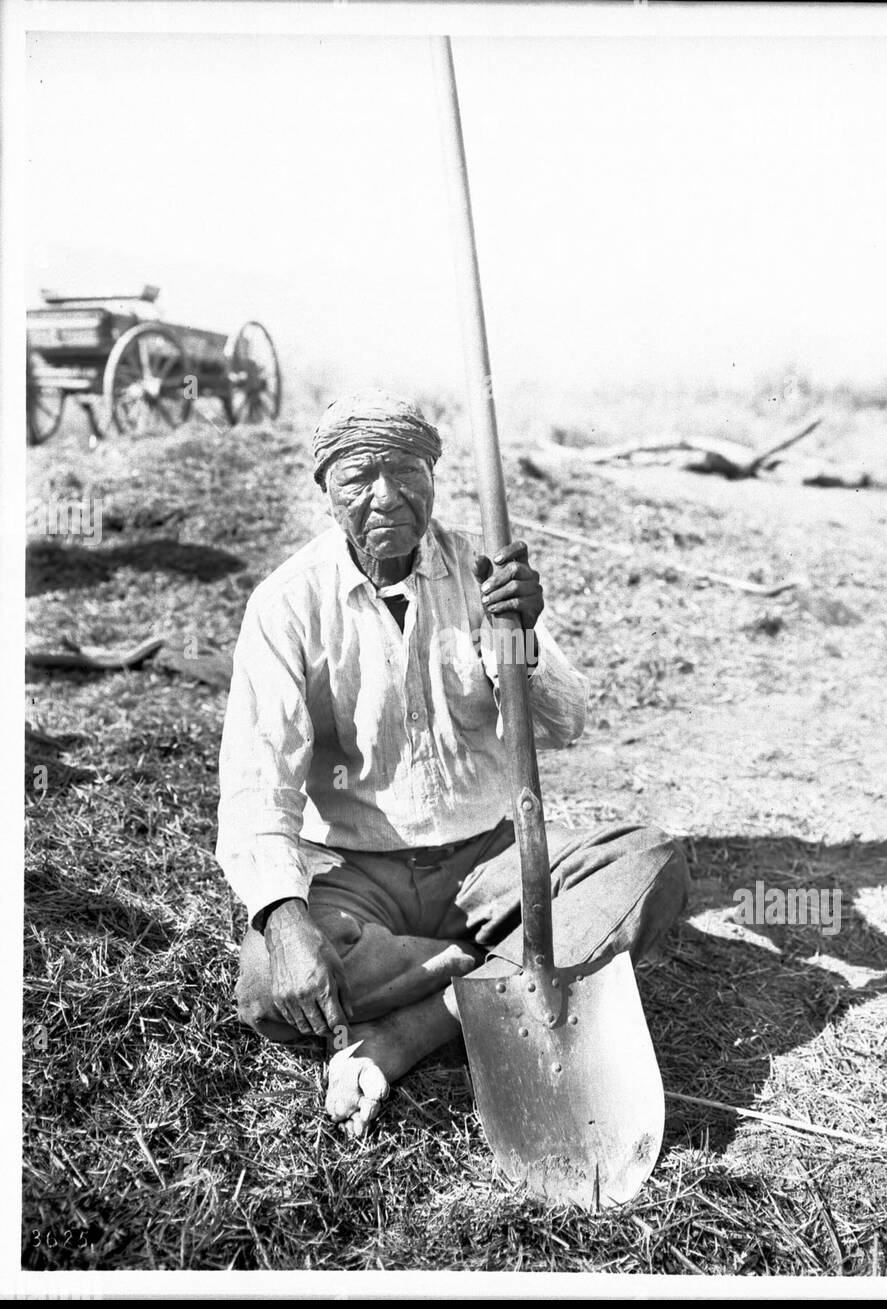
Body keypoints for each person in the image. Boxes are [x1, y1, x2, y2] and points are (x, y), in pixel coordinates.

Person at [216, 389, 689, 1138]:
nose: (386, 497)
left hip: (490, 862)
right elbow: (255, 785)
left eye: (406, 472)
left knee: (650, 863)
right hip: (356, 871)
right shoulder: (287, 604)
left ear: (433, 477)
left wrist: (521, 639)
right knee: (269, 988)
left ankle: (418, 1025)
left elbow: (565, 723)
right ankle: (502, 967)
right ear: (326, 492)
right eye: (358, 478)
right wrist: (282, 917)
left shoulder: (483, 574)